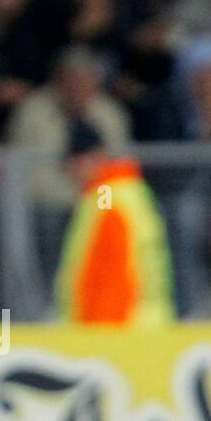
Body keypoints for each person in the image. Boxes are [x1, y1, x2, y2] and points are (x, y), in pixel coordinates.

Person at [54, 120, 174, 325]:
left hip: (121, 332)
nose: (72, 175)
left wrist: (101, 340)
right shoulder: (130, 192)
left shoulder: (105, 200)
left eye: (74, 164)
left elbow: (113, 276)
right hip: (146, 326)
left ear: (93, 158)